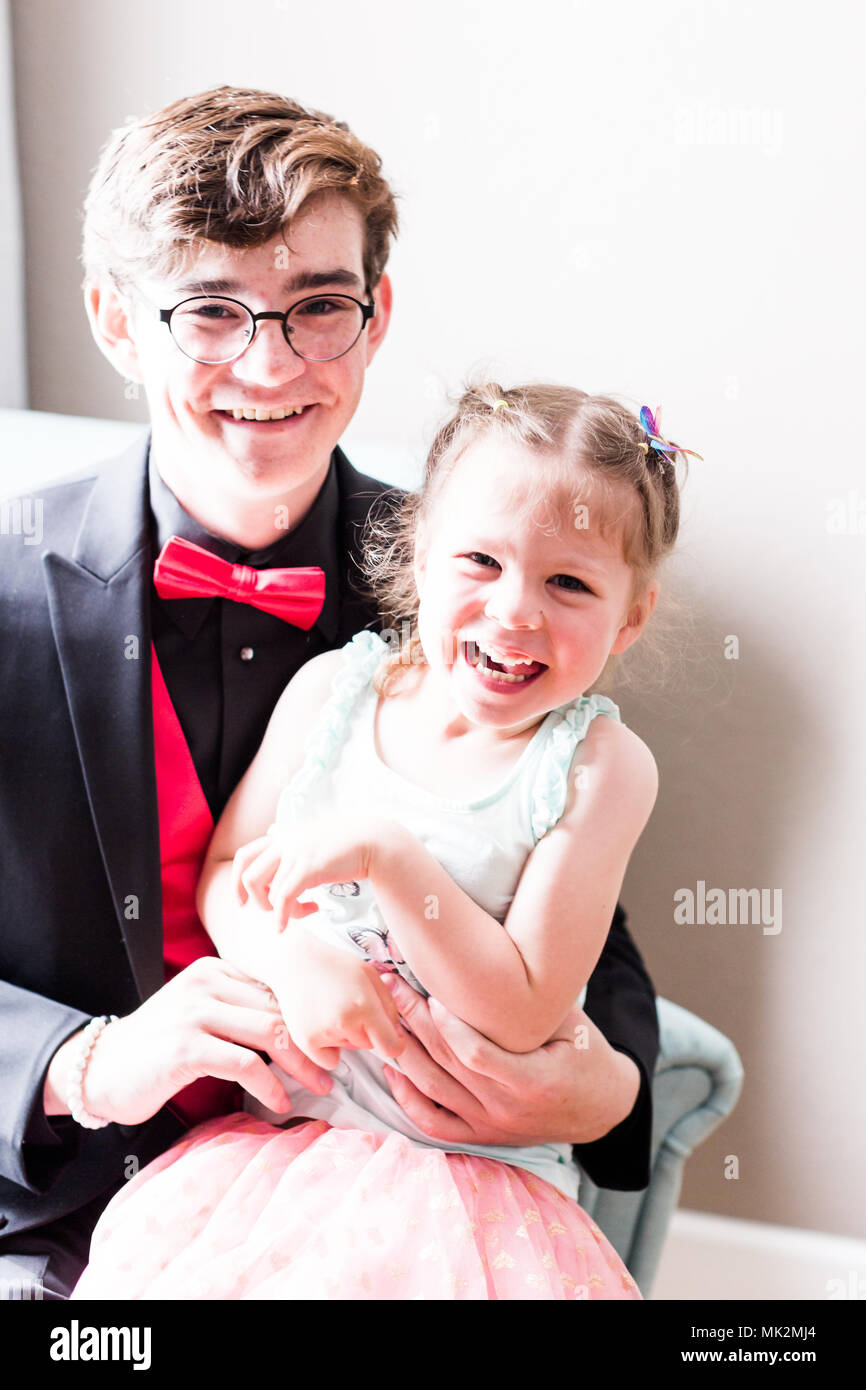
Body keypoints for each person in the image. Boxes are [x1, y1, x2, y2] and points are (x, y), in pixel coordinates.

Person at [0, 86, 658, 1301]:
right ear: (114, 320)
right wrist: (87, 1063)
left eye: (317, 307)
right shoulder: (4, 594)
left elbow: (577, 930)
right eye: (208, 311)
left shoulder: (474, 583)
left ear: (375, 315)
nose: (271, 362)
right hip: (82, 1213)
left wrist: (601, 1086)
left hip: (414, 1202)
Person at [71, 382, 693, 1300]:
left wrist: (387, 857)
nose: (517, 610)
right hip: (283, 1152)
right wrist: (290, 961)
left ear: (628, 619)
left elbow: (521, 1011)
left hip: (469, 1184)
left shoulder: (601, 767)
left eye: (569, 582)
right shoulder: (337, 692)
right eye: (481, 559)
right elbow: (227, 873)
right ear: (421, 556)